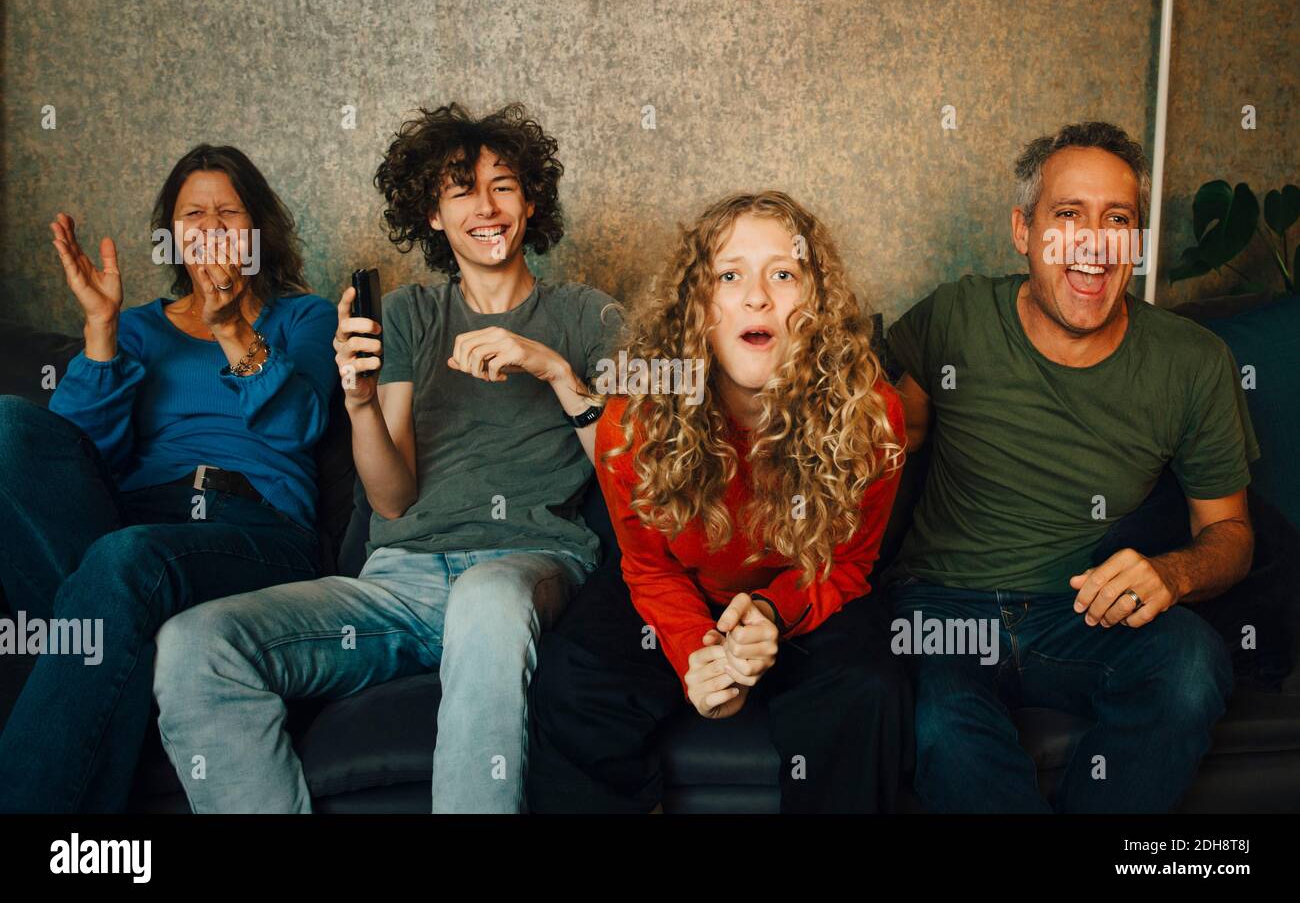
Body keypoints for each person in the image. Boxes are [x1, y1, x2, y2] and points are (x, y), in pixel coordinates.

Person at [152, 102, 623, 813]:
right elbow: (394, 500)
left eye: (503, 185)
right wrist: (362, 402)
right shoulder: (409, 316)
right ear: (433, 215)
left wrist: (555, 371)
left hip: (523, 567)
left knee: (486, 599)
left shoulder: (588, 315)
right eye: (461, 189)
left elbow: (637, 483)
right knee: (194, 642)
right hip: (398, 582)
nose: (486, 206)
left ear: (530, 200)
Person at [887, 120, 1257, 812]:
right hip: (946, 603)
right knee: (942, 726)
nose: (1094, 242)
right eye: (1068, 216)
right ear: (1022, 230)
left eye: (1117, 219)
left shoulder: (1193, 361)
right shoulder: (957, 315)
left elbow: (1231, 532)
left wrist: (1172, 573)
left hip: (1084, 608)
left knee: (1191, 668)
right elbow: (882, 441)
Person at [527, 190, 910, 813]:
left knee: (869, 690)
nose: (757, 296)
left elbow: (848, 564)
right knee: (572, 689)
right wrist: (699, 655)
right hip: (675, 589)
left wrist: (768, 613)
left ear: (815, 303)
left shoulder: (872, 417)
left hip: (800, 594)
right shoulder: (632, 421)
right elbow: (648, 567)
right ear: (697, 308)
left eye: (783, 275)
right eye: (729, 276)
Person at [0, 144, 337, 812]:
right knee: (11, 425)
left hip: (254, 528)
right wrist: (100, 331)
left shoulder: (305, 317)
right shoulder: (136, 328)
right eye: (192, 214)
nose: (210, 226)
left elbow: (300, 426)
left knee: (124, 561)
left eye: (227, 212)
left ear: (257, 232)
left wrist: (233, 328)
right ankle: (119, 635)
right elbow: (67, 458)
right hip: (132, 527)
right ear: (171, 235)